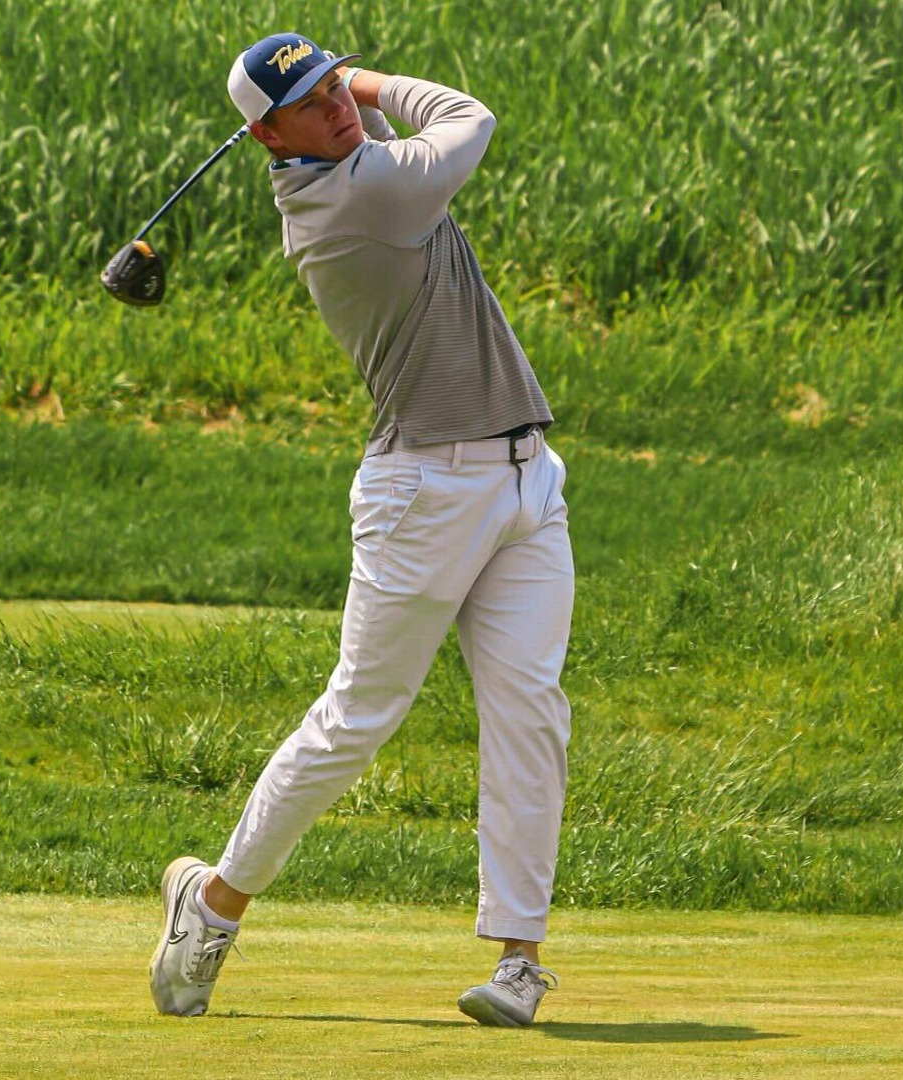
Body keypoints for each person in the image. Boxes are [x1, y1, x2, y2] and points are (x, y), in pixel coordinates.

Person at [149, 32, 574, 1028]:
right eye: (311, 99)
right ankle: (212, 904)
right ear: (266, 135)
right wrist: (377, 80)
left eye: (337, 83)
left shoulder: (349, 165)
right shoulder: (358, 197)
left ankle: (518, 961)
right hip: (424, 493)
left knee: (529, 715)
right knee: (358, 720)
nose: (339, 104)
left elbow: (376, 135)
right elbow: (469, 118)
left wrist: (344, 93)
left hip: (527, 483)